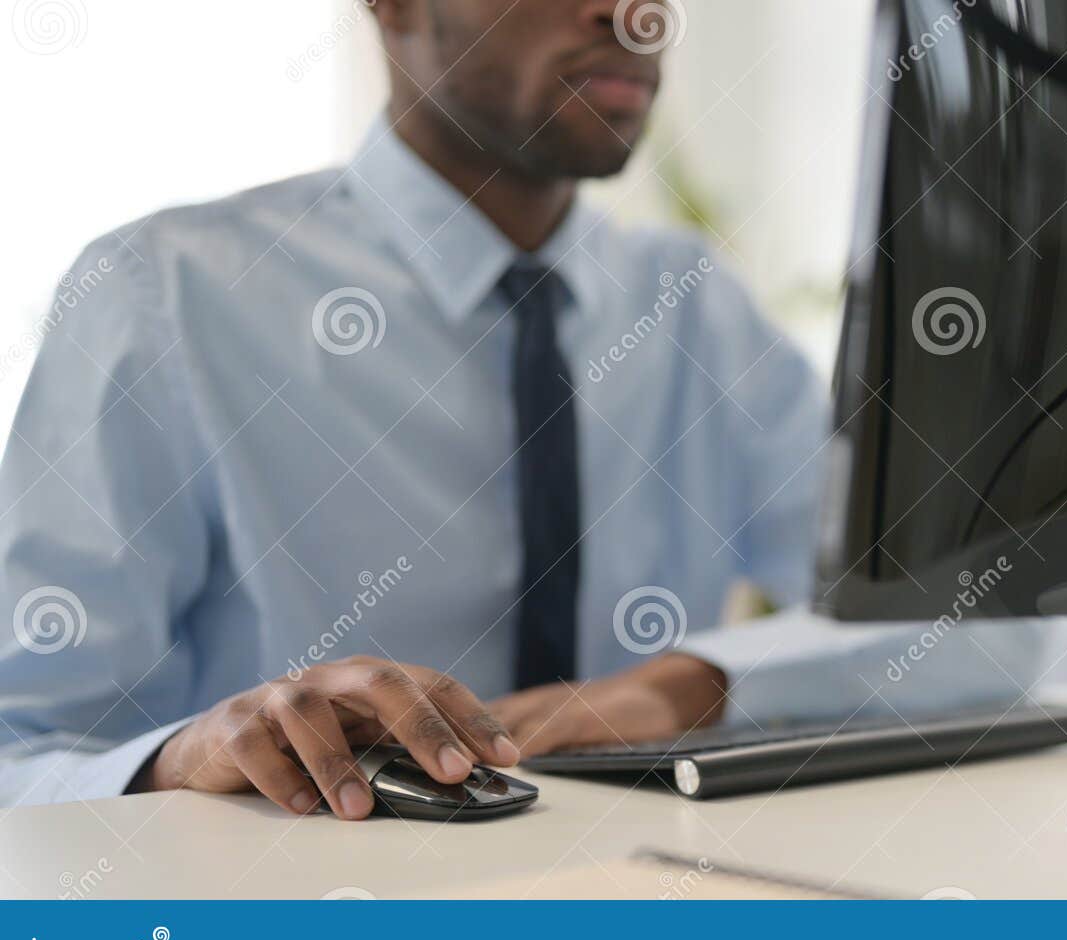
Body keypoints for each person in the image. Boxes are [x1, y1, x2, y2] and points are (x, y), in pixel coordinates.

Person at [0, 0, 830, 818]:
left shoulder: (694, 307)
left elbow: (922, 615)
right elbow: (19, 748)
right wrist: (183, 758)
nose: (634, 15)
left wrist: (698, 680)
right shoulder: (165, 295)